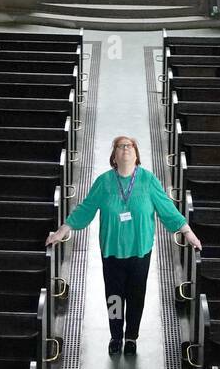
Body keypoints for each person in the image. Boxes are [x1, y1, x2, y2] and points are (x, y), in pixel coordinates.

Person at [46, 134, 201, 356]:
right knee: (115, 297)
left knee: (136, 296)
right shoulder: (104, 182)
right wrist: (63, 229)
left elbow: (168, 209)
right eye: (120, 147)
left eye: (129, 146)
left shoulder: (148, 180)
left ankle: (132, 337)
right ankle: (116, 336)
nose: (125, 149)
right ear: (114, 156)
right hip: (112, 252)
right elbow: (86, 209)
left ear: (137, 155)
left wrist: (188, 232)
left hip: (140, 252)